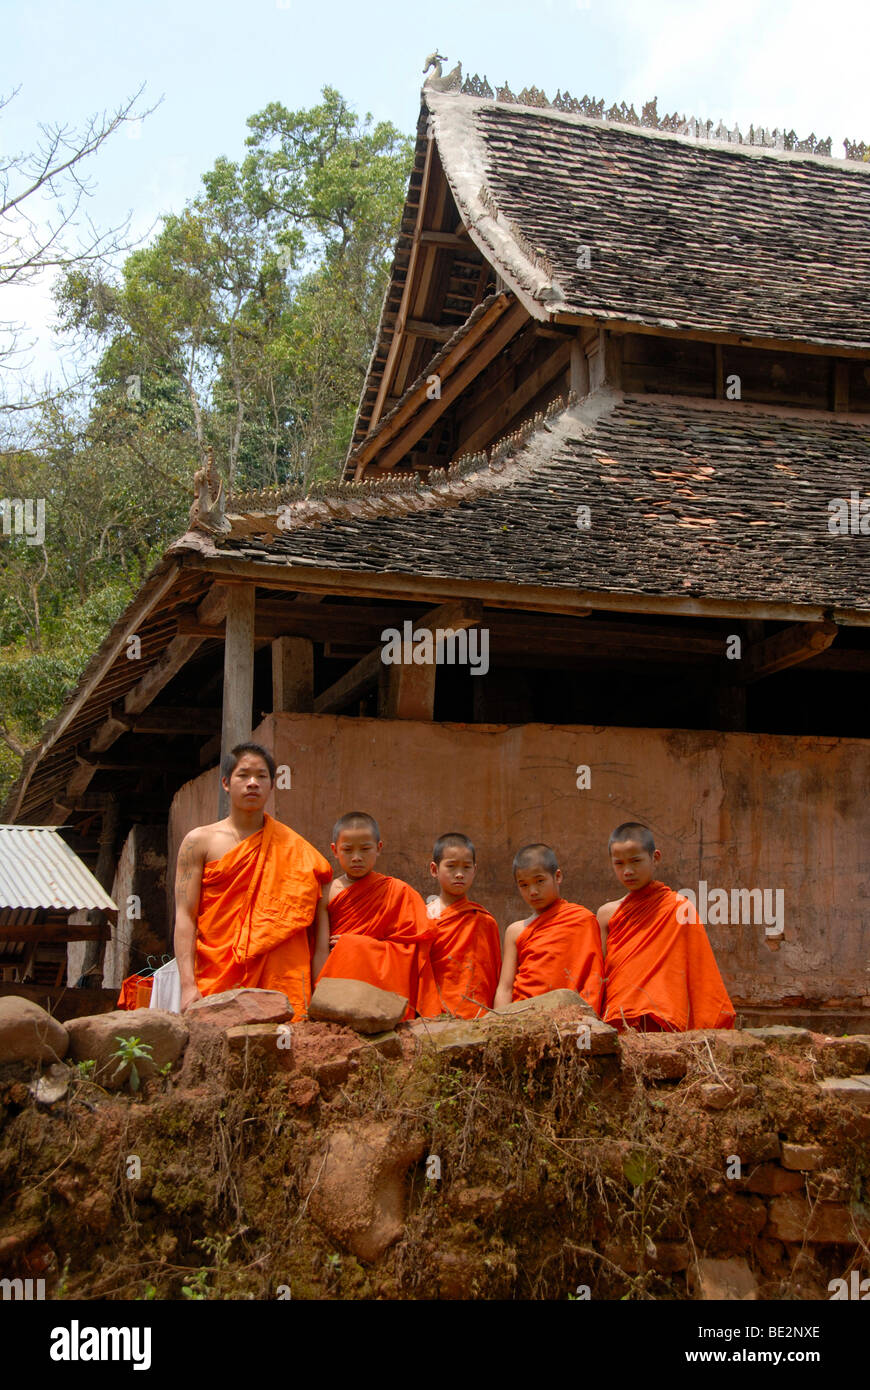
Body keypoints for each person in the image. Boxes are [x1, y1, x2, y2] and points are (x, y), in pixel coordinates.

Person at [174, 742, 331, 1017]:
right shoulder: (198, 842)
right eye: (243, 775)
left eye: (261, 776)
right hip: (218, 975)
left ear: (272, 785)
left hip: (280, 978)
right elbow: (185, 916)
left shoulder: (295, 849)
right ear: (225, 783)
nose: (252, 783)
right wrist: (187, 986)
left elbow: (317, 919)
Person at [598, 822, 735, 1032]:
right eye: (619, 863)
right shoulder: (606, 913)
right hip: (620, 1014)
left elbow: (698, 967)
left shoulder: (679, 907)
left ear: (655, 858)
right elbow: (601, 972)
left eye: (636, 861)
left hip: (664, 1016)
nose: (628, 871)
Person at [316, 812, 433, 1016]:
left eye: (365, 849)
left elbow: (410, 952)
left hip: (381, 990)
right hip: (339, 984)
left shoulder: (398, 892)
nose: (356, 857)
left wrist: (358, 946)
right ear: (334, 850)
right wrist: (318, 994)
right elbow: (320, 950)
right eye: (348, 850)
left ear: (379, 848)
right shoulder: (326, 892)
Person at [493, 844, 604, 1012]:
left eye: (540, 881)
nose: (533, 891)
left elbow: (593, 977)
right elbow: (505, 988)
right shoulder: (515, 931)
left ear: (557, 876)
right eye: (524, 885)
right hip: (523, 1014)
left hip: (568, 1014)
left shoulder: (582, 919)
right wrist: (499, 1024)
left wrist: (587, 1018)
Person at [416, 832, 502, 1019]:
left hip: (479, 1014)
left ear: (475, 870)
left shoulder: (485, 921)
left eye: (466, 867)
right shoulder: (423, 917)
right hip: (435, 1014)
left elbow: (491, 976)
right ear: (434, 869)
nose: (459, 874)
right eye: (451, 866)